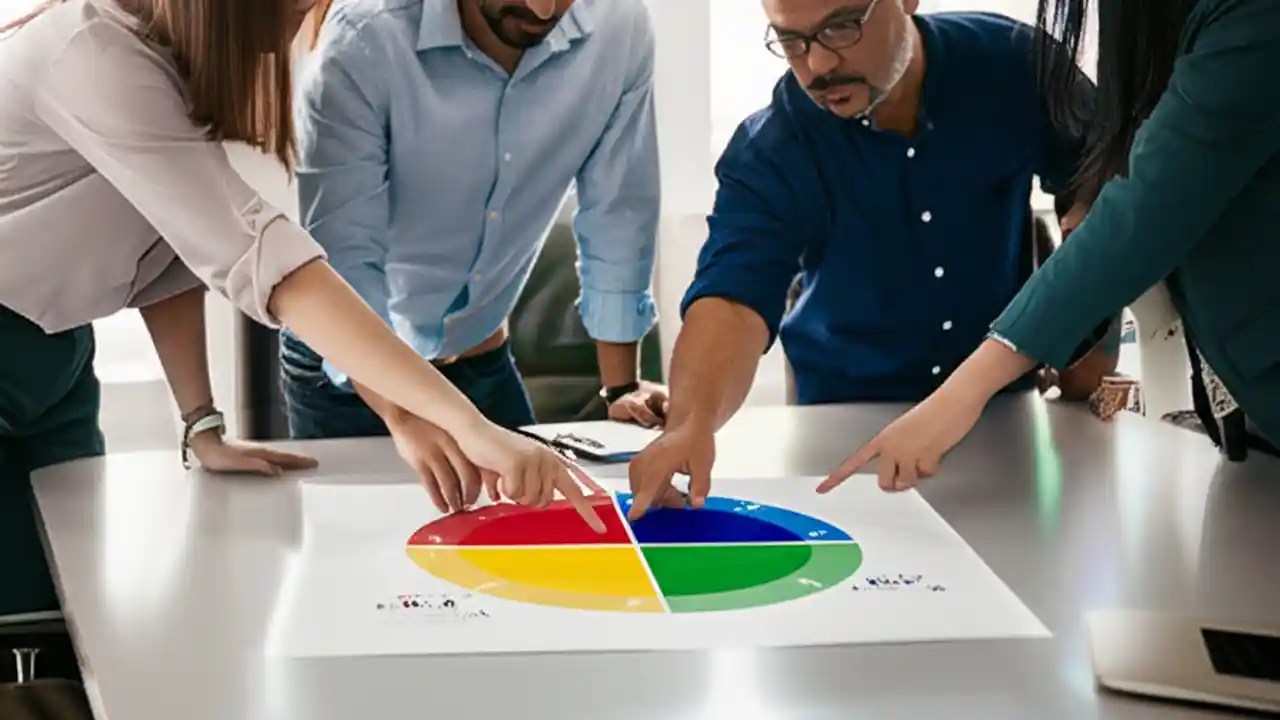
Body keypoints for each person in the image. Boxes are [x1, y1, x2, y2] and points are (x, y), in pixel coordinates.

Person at [0, 0, 606, 622]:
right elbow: (268, 262)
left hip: (57, 355)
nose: (300, 26)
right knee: (21, 619)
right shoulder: (93, 58)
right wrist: (472, 427)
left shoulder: (159, 56)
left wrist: (201, 424)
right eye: (292, 7)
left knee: (63, 615)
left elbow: (168, 252)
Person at [626, 0, 1117, 517]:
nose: (817, 66)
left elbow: (1105, 192)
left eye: (842, 27)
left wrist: (1090, 354)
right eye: (792, 41)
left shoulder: (1017, 65)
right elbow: (731, 301)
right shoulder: (772, 147)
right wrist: (690, 424)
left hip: (1005, 418)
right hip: (845, 430)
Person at [819, 0, 1280, 494]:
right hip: (1240, 415)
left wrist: (959, 395)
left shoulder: (1253, 19)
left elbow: (1143, 212)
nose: (820, 64)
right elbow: (1122, 178)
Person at [281, 0, 665, 509]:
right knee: (361, 565)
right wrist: (405, 415)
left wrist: (621, 390)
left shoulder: (619, 26)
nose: (543, 8)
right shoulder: (363, 39)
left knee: (529, 562)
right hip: (354, 378)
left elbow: (620, 214)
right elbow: (347, 263)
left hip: (484, 365)